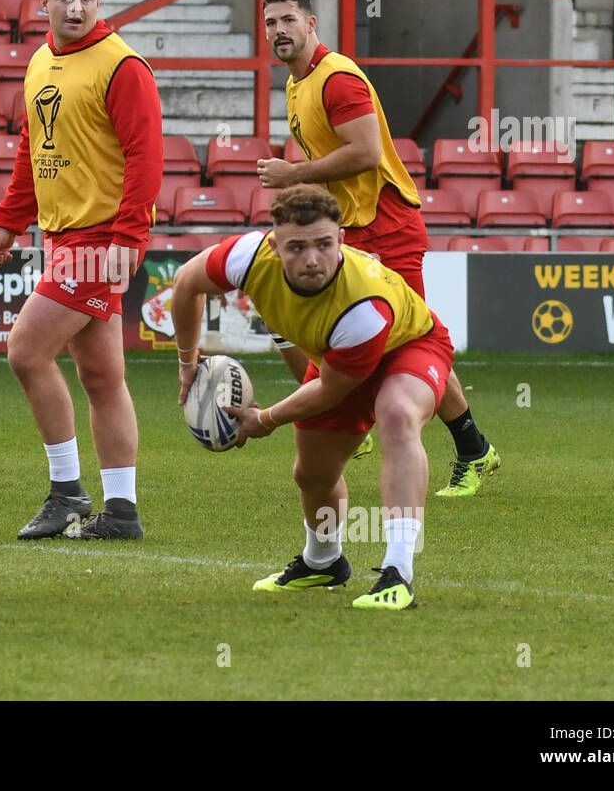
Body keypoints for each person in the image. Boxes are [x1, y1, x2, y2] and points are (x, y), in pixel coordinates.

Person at [255, 0, 501, 497]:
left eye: (287, 20)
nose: (279, 30)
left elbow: (365, 153)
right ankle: (343, 415)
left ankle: (473, 448)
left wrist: (292, 173)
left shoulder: (336, 78)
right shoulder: (297, 84)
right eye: (270, 22)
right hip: (349, 227)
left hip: (386, 225)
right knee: (314, 328)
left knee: (411, 345)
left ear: (312, 24)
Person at [172, 185, 453, 610]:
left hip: (410, 344)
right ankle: (323, 562)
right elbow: (185, 285)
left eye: (324, 245)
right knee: (313, 474)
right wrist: (187, 361)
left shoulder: (362, 306)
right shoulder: (247, 256)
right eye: (297, 247)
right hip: (335, 356)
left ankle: (398, 573)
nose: (311, 259)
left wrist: (263, 419)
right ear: (274, 244)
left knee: (396, 414)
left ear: (341, 239)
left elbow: (331, 389)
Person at [0, 0, 164, 540]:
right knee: (102, 377)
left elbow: (146, 157)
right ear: (45, 3)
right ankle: (122, 513)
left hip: (98, 239)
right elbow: (30, 148)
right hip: (63, 236)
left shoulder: (122, 66)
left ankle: (67, 492)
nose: (76, 7)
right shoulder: (40, 62)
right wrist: (10, 221)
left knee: (26, 351)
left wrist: (129, 236)